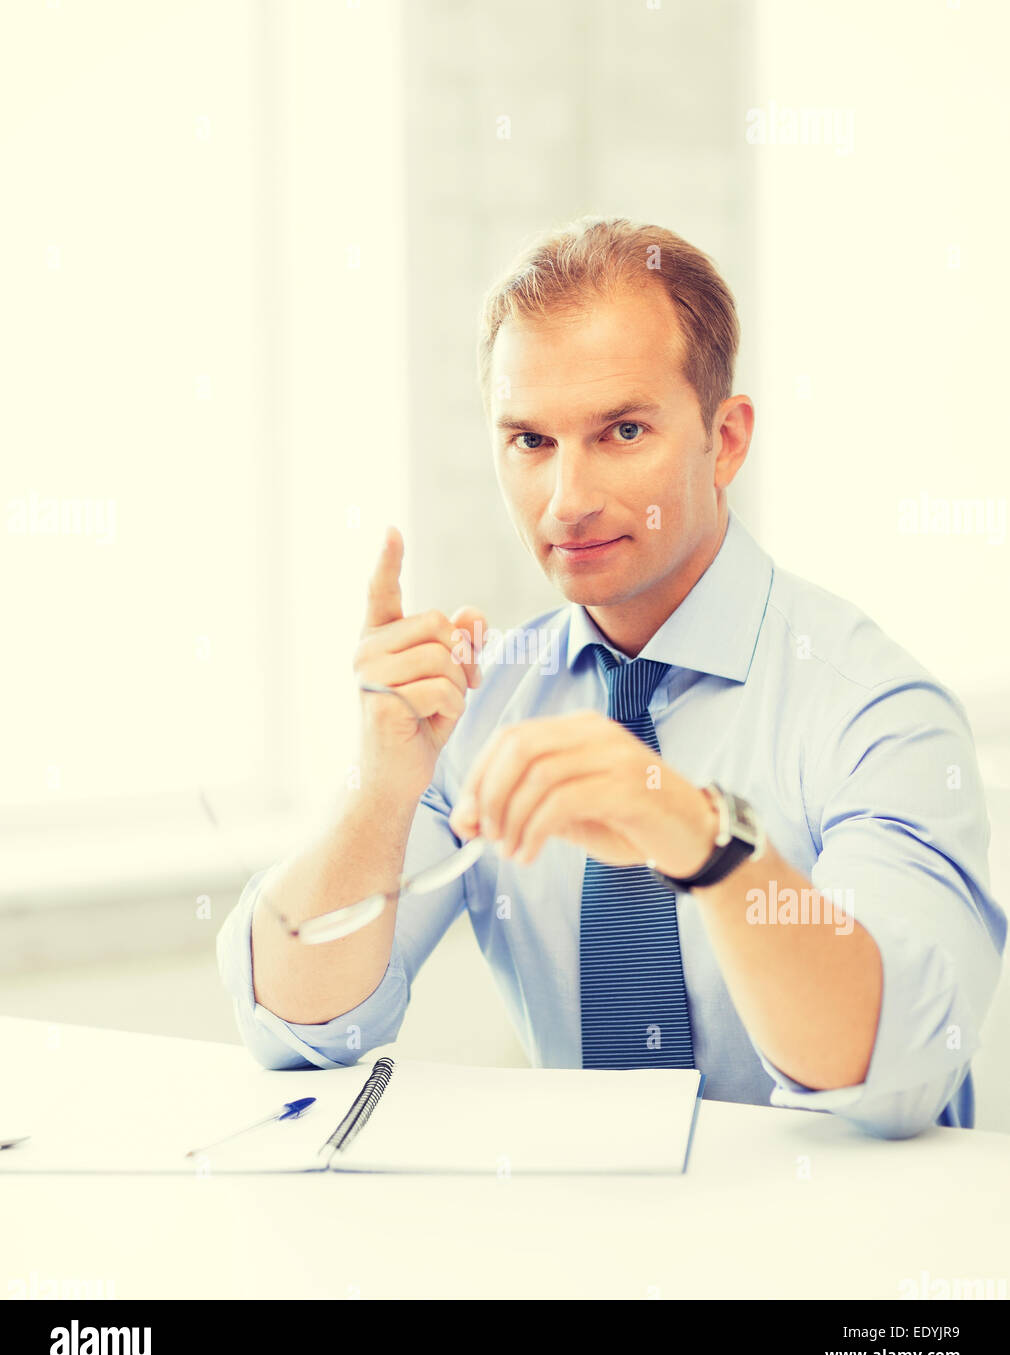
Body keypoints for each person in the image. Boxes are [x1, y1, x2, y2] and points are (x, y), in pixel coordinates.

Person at [217, 215, 1005, 1139]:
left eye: (622, 430)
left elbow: (895, 1071)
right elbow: (299, 1027)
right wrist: (383, 789)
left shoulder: (875, 711)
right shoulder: (479, 707)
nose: (568, 501)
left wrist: (700, 839)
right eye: (530, 442)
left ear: (727, 440)